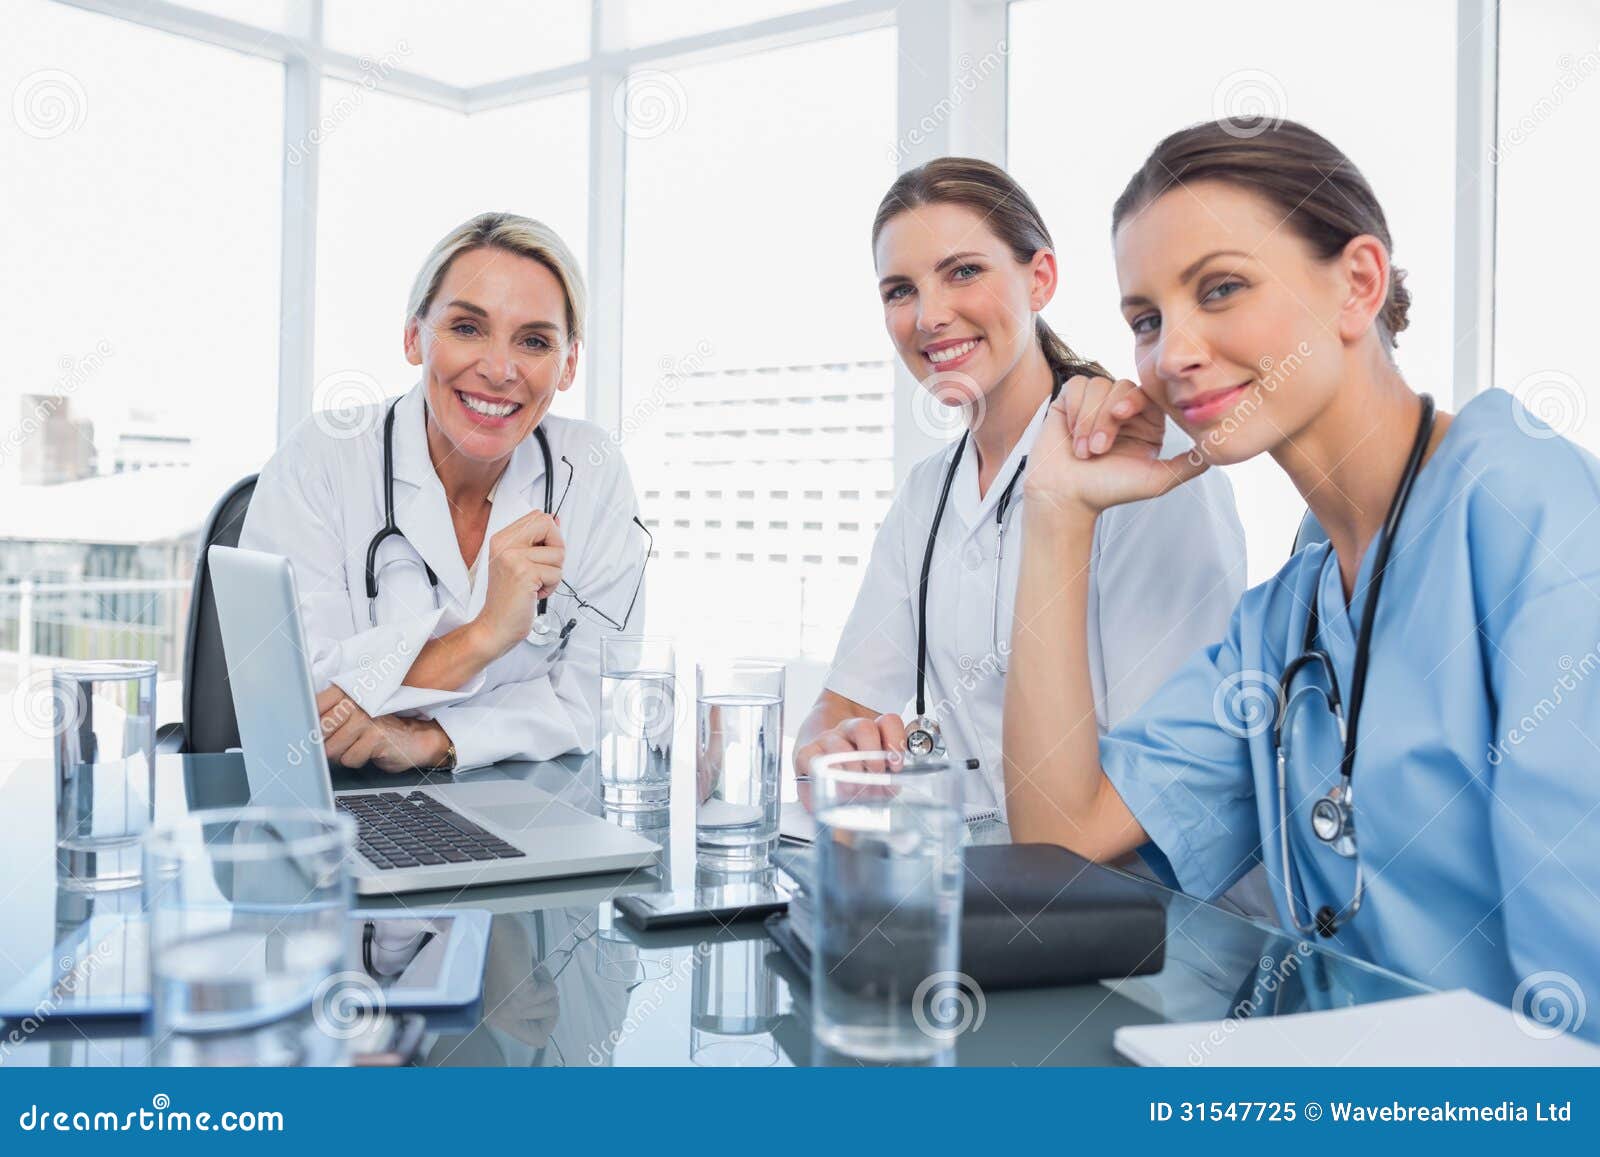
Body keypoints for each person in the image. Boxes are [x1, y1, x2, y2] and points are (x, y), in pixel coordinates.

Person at [1005, 118, 1600, 1028]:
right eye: (1146, 320)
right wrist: (1056, 515)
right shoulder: (1290, 614)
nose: (1174, 354)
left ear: (1357, 283)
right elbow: (1058, 847)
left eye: (1222, 288)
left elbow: (1580, 1000)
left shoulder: (1537, 515)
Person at [793, 158, 1249, 839]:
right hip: (975, 888)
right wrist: (832, 752)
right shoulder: (927, 492)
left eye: (964, 271)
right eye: (899, 290)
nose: (929, 316)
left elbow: (1173, 787)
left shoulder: (1137, 469)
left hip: (1134, 911)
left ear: (1040, 279)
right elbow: (837, 704)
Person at [241, 212, 648, 772]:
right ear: (414, 337)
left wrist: (436, 741)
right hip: (333, 808)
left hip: (518, 803)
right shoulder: (321, 458)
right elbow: (301, 714)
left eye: (533, 341)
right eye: (466, 328)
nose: (500, 369)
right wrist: (482, 637)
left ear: (568, 364)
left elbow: (597, 698)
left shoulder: (591, 474)